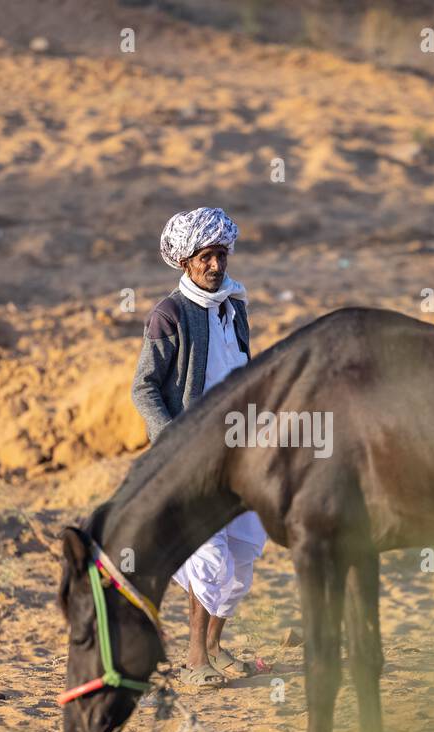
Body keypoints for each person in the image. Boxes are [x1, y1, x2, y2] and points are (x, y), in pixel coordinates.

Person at [131, 207, 267, 688]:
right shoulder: (169, 314)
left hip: (239, 450)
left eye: (221, 254)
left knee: (243, 550)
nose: (215, 265)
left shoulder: (235, 306)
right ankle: (194, 660)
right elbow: (144, 388)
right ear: (186, 261)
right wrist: (173, 441)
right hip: (191, 456)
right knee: (207, 554)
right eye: (205, 256)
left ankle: (214, 648)